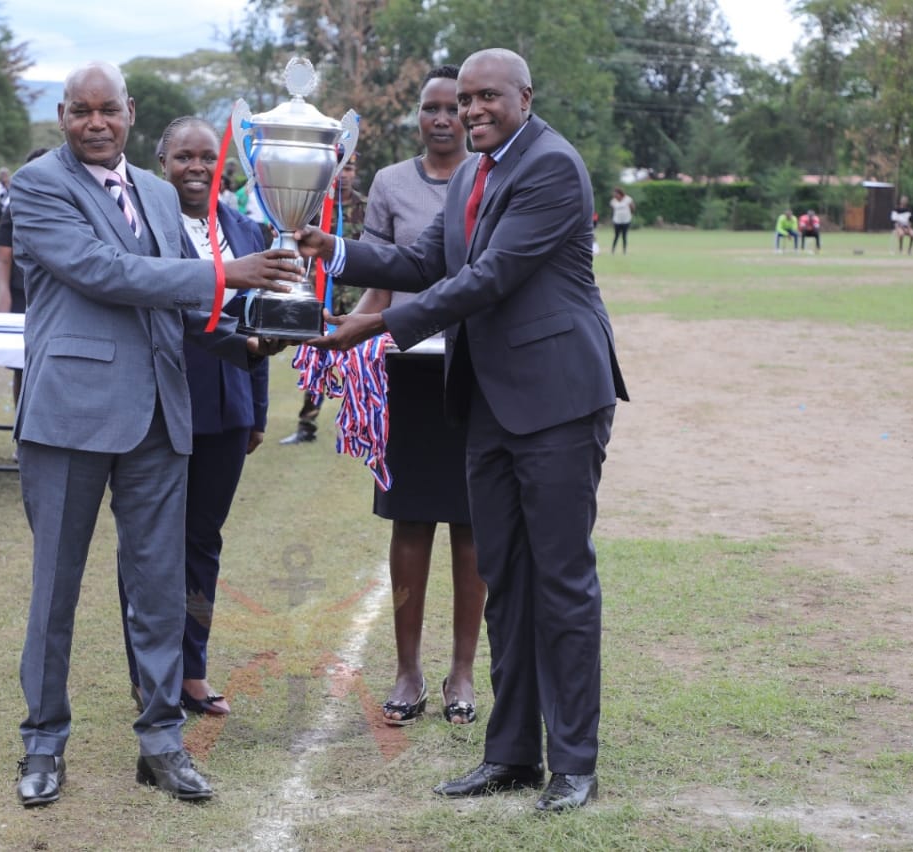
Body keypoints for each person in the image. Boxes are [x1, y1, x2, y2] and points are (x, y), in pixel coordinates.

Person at [297, 48, 628, 813]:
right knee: (504, 580)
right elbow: (427, 259)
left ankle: (573, 763)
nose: (472, 109)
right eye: (465, 97)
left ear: (524, 96)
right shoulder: (475, 173)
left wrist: (378, 327)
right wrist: (334, 251)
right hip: (487, 403)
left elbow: (489, 277)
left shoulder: (551, 166)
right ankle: (510, 755)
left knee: (561, 582)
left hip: (557, 400)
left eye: (486, 97)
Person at [10, 61, 297, 807]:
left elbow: (178, 305)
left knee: (160, 588)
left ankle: (162, 743)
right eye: (80, 111)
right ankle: (43, 743)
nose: (95, 123)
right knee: (56, 590)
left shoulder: (160, 192)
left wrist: (249, 340)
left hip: (161, 416)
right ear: (62, 116)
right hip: (70, 416)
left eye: (108, 109)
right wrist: (228, 274)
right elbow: (105, 272)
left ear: (130, 112)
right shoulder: (38, 185)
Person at [116, 116, 272, 718]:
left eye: (208, 157)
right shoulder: (141, 226)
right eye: (184, 157)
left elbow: (257, 324)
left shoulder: (246, 229)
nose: (197, 167)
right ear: (162, 163)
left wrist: (256, 409)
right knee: (151, 545)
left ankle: (192, 670)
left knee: (203, 541)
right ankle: (148, 672)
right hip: (160, 401)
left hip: (227, 409)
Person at [349, 65, 485, 728]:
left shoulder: (490, 178)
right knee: (408, 519)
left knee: (471, 523)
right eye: (430, 107)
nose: (442, 118)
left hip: (475, 367)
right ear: (418, 116)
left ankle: (463, 671)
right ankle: (407, 671)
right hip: (406, 367)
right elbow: (379, 278)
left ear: (469, 113)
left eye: (453, 106)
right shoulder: (389, 184)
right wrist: (342, 331)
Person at [279, 152, 368, 446]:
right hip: (321, 297)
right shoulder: (315, 210)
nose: (344, 175)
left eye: (349, 168)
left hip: (357, 299)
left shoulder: (368, 208)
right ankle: (307, 425)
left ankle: (361, 424)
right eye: (339, 169)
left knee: (360, 363)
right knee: (316, 360)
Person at [0, 146, 50, 410]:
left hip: (60, 295)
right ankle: (22, 426)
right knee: (22, 365)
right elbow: (2, 256)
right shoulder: (16, 207)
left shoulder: (74, 204)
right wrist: (3, 294)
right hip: (23, 295)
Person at [609, 186, 634, 254]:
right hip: (617, 221)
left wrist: (629, 215)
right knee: (616, 235)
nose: (615, 195)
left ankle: (624, 250)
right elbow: (613, 210)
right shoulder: (613, 201)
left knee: (624, 236)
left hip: (626, 220)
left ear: (620, 193)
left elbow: (632, 208)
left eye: (616, 194)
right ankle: (613, 250)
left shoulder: (627, 199)